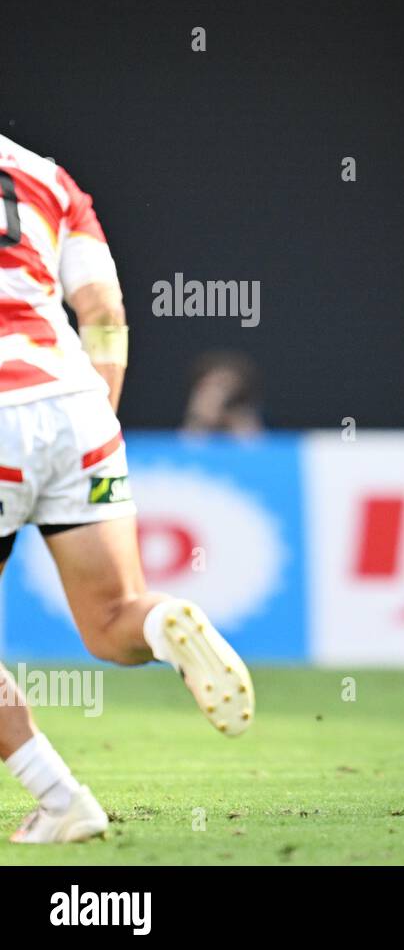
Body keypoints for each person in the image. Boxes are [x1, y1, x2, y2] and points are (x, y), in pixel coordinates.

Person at [0, 134, 254, 843]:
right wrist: (92, 430)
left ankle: (61, 800)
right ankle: (162, 624)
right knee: (114, 621)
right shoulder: (47, 176)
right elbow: (105, 314)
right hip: (76, 405)